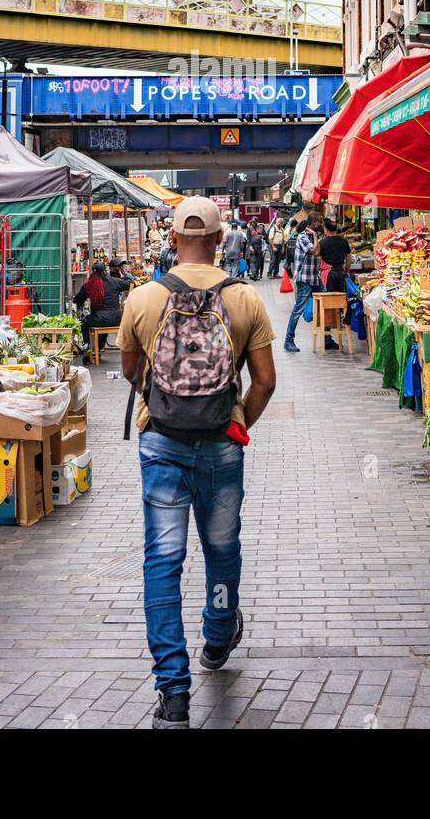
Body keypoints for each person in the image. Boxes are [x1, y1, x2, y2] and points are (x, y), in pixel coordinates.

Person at [118, 197, 276, 730]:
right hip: (221, 443)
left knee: (162, 561)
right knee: (222, 547)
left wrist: (163, 403)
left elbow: (129, 369)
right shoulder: (244, 298)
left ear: (171, 234)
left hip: (160, 441)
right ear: (220, 236)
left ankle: (174, 692)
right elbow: (266, 381)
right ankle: (217, 633)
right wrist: (234, 424)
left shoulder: (142, 298)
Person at [283, 212, 322, 352]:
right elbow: (314, 251)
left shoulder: (312, 236)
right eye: (320, 222)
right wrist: (317, 238)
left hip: (315, 278)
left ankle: (328, 338)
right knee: (298, 309)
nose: (321, 225)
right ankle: (288, 340)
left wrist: (317, 239)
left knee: (327, 304)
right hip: (304, 279)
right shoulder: (303, 237)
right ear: (313, 223)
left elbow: (318, 252)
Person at [75, 260, 133, 353]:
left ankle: (86, 344)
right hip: (117, 318)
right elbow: (130, 282)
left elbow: (78, 299)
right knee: (102, 319)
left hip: (99, 319)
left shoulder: (89, 284)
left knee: (84, 321)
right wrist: (123, 272)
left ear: (93, 272)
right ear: (104, 271)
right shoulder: (114, 281)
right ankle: (99, 347)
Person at [319, 217, 351, 351]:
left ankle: (327, 337)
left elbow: (319, 260)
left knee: (327, 305)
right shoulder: (343, 241)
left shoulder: (322, 242)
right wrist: (346, 269)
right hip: (340, 273)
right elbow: (348, 258)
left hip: (329, 275)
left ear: (326, 230)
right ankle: (342, 323)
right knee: (342, 302)